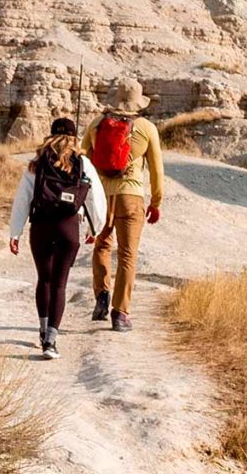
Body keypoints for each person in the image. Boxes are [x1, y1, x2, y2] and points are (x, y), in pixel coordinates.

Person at [8, 117, 107, 360]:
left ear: (50, 136)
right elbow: (96, 198)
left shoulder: (37, 163)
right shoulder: (82, 163)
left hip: (41, 226)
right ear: (74, 137)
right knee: (59, 284)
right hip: (68, 227)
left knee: (44, 279)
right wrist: (94, 228)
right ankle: (51, 341)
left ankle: (43, 330)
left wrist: (15, 232)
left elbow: (23, 199)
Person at [81, 77, 164, 333]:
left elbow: (83, 159)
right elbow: (157, 170)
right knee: (127, 254)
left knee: (102, 245)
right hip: (131, 196)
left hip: (102, 196)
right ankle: (120, 313)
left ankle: (101, 294)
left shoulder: (97, 123)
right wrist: (156, 202)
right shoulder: (146, 127)